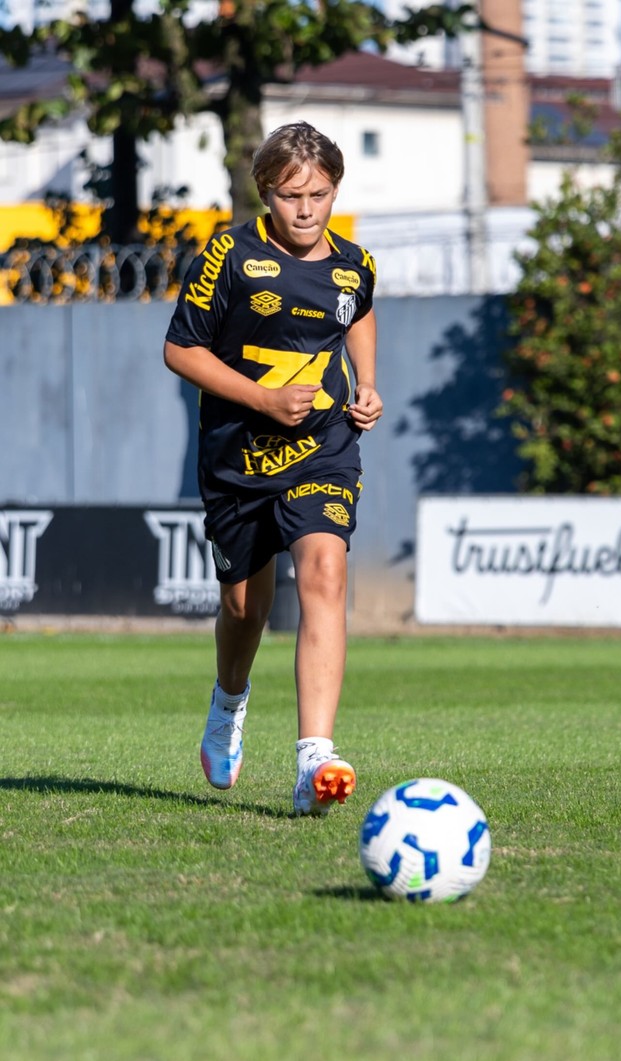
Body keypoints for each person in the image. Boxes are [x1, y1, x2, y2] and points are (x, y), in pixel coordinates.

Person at [163, 121, 383, 816]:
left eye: (319, 193)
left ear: (335, 189)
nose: (308, 208)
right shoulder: (229, 256)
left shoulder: (356, 263)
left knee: (324, 570)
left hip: (323, 446)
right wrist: (260, 396)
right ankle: (229, 702)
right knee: (243, 606)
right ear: (266, 193)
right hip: (237, 458)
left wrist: (368, 381)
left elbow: (357, 312)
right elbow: (180, 351)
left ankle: (313, 756)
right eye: (292, 196)